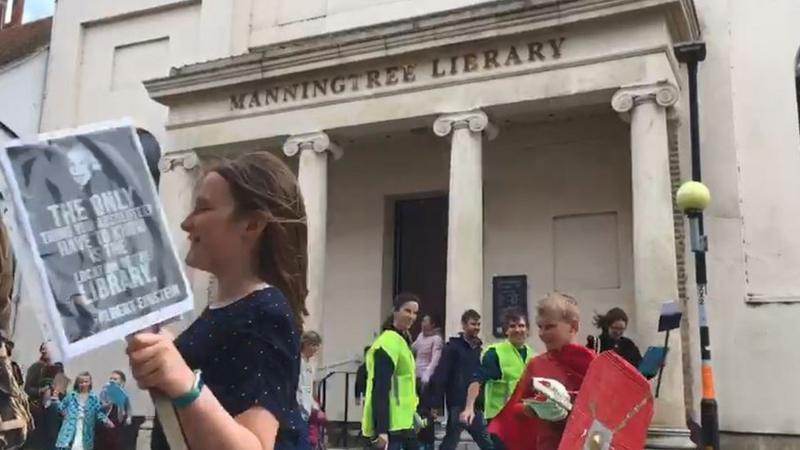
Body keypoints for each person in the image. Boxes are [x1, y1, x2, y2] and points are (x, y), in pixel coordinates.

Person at [127, 151, 310, 450]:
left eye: (203, 208)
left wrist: (183, 381)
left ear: (252, 225)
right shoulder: (230, 308)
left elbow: (254, 444)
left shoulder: (266, 313)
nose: (187, 223)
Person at [486, 293, 596, 450]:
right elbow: (516, 407)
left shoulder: (594, 364)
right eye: (540, 327)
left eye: (550, 327)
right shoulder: (536, 364)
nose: (542, 334)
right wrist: (531, 409)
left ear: (574, 327)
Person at [426, 309, 494, 450]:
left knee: (486, 442)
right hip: (457, 402)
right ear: (463, 325)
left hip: (475, 405)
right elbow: (441, 374)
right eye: (473, 324)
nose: (476, 327)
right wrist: (435, 403)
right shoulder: (452, 348)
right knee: (452, 441)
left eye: (478, 324)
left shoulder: (480, 350)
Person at [362, 293, 420, 450]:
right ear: (395, 311)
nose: (412, 317)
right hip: (391, 425)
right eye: (407, 311)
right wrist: (381, 429)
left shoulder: (403, 341)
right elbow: (380, 388)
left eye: (415, 313)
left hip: (404, 422)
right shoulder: (388, 342)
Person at [461, 309, 534, 426]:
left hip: (523, 416)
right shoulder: (495, 353)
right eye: (512, 326)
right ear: (506, 331)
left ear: (527, 330)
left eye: (521, 326)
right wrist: (469, 407)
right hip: (499, 417)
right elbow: (476, 380)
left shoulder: (532, 355)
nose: (517, 330)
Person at [53, 372, 114, 450]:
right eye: (81, 382)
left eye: (86, 382)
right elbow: (61, 407)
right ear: (77, 383)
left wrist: (106, 420)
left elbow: (98, 412)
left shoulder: (93, 398)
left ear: (90, 383)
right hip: (70, 426)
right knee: (69, 445)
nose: (84, 384)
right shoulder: (71, 396)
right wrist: (56, 400)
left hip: (86, 428)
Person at [411, 314, 441, 450]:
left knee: (425, 413)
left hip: (427, 381)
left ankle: (427, 444)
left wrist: (426, 376)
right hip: (416, 378)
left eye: (425, 321)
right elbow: (412, 349)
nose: (422, 323)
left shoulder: (436, 339)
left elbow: (435, 359)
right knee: (416, 411)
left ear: (432, 324)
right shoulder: (420, 336)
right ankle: (416, 441)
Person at [297, 331, 325, 449]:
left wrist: (315, 406)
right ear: (305, 344)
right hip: (298, 408)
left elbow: (309, 389)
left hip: (307, 411)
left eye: (317, 345)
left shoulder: (310, 364)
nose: (316, 349)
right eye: (313, 345)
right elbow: (300, 388)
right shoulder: (299, 362)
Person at [96, 370, 132, 450]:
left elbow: (128, 406)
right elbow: (100, 407)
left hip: (119, 424)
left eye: (115, 379)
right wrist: (109, 403)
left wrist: (129, 417)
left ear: (122, 383)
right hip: (108, 422)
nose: (112, 381)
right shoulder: (105, 391)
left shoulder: (124, 394)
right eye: (111, 378)